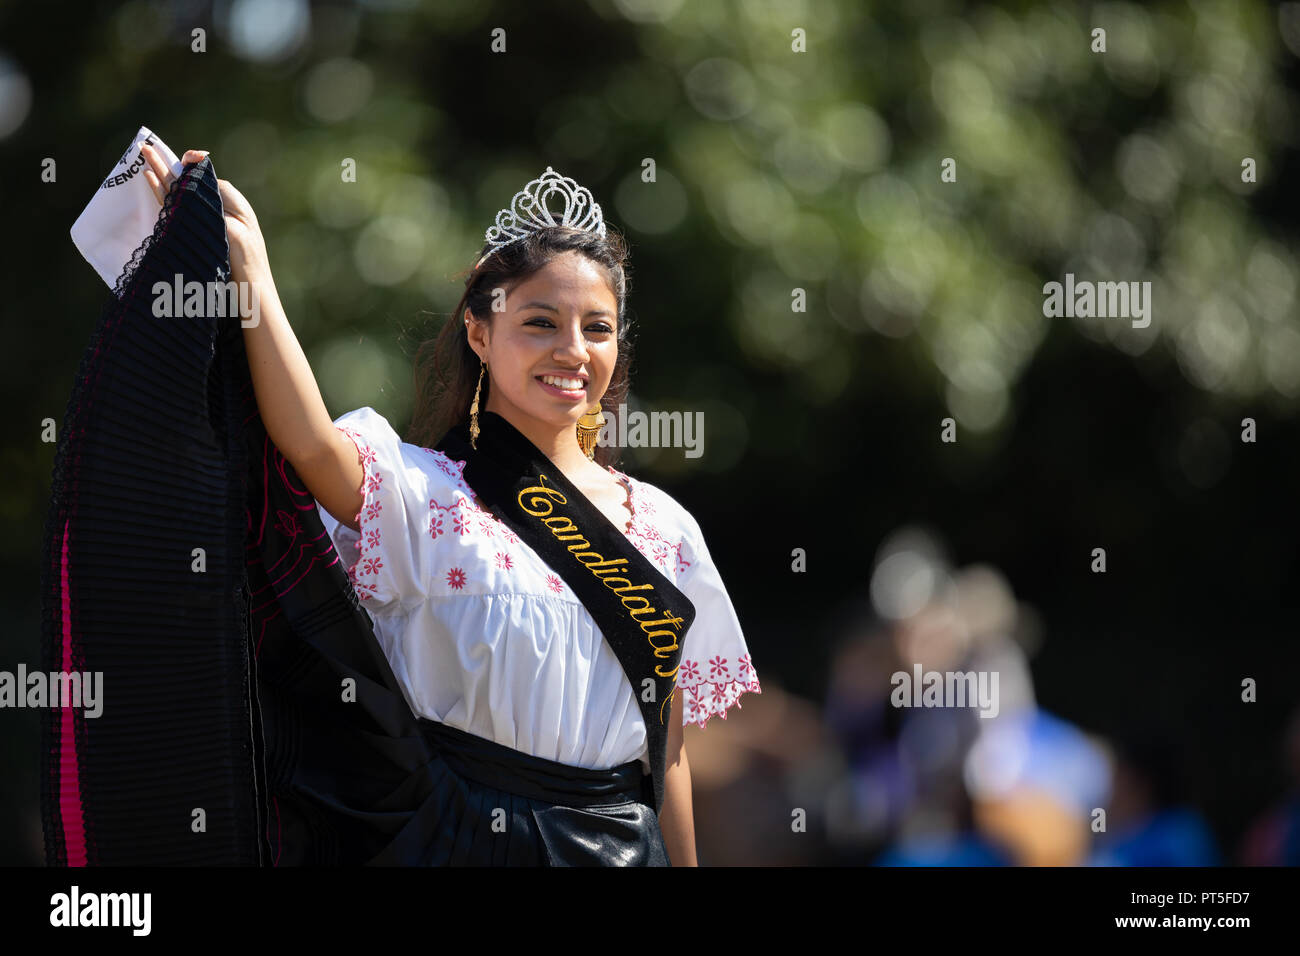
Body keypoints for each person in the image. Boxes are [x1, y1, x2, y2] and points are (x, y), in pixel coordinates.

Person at [132, 147, 762, 865]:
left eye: (597, 327)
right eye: (540, 323)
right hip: (456, 841)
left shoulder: (665, 530)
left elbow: (668, 753)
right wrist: (251, 268)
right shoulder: (423, 494)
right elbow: (307, 444)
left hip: (619, 848)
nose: (572, 350)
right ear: (479, 333)